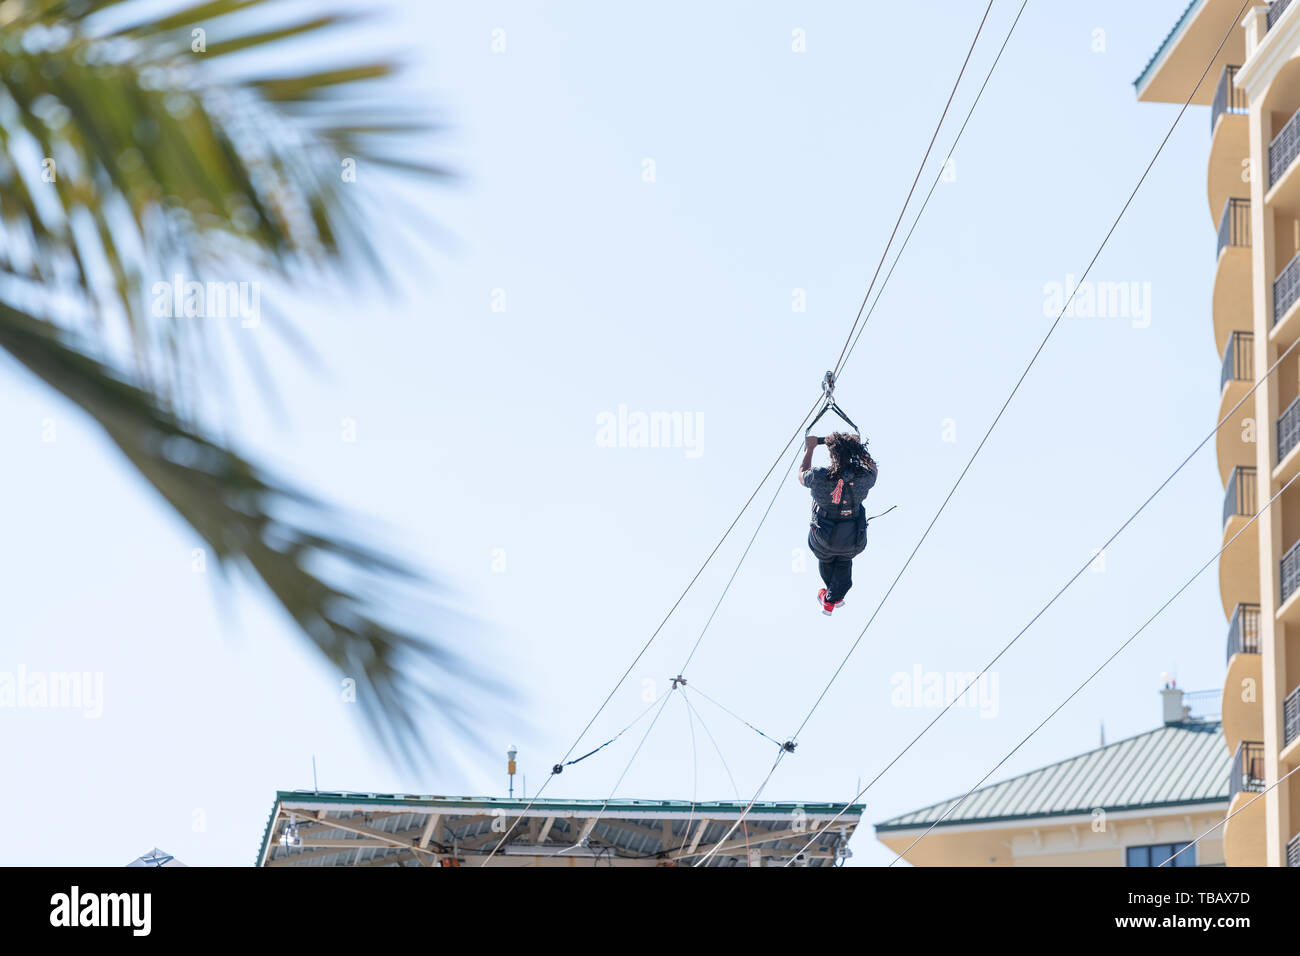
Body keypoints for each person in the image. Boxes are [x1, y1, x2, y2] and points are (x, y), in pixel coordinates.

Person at [798, 431, 877, 615]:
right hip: (853, 541)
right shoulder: (864, 478)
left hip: (823, 540)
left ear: (832, 455)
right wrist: (859, 450)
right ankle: (832, 596)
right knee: (843, 559)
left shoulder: (819, 476)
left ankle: (832, 597)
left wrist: (810, 448)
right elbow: (874, 469)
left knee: (827, 557)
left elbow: (801, 474)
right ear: (855, 453)